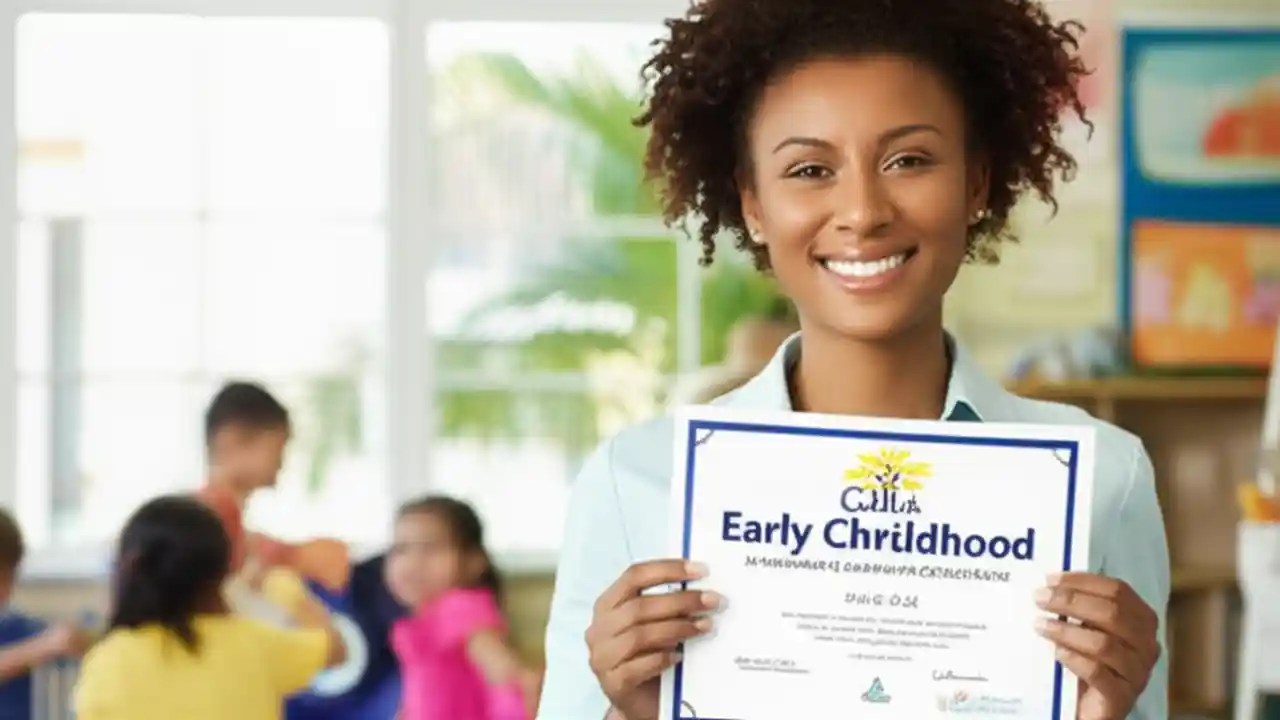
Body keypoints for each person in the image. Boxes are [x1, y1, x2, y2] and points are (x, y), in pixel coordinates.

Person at [538, 1, 1169, 719]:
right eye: (809, 168)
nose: (863, 210)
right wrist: (630, 710)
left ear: (974, 183)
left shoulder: (1104, 480)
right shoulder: (634, 483)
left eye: (909, 160)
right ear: (753, 207)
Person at [74, 495, 346, 720]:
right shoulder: (256, 644)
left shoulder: (108, 660)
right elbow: (337, 649)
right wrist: (289, 591)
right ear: (222, 571)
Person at [384, 496, 539, 720]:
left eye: (431, 549)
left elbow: (501, 668)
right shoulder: (429, 616)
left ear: (473, 562)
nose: (414, 562)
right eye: (401, 549)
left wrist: (522, 679)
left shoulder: (462, 609)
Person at [199, 382, 348, 592]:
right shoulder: (203, 530)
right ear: (231, 439)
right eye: (278, 447)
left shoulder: (245, 537)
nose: (282, 461)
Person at [0, 509, 90, 719]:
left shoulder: (21, 627)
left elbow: (69, 642)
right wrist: (43, 647)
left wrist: (73, 640)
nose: (3, 590)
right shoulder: (37, 641)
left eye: (8, 578)